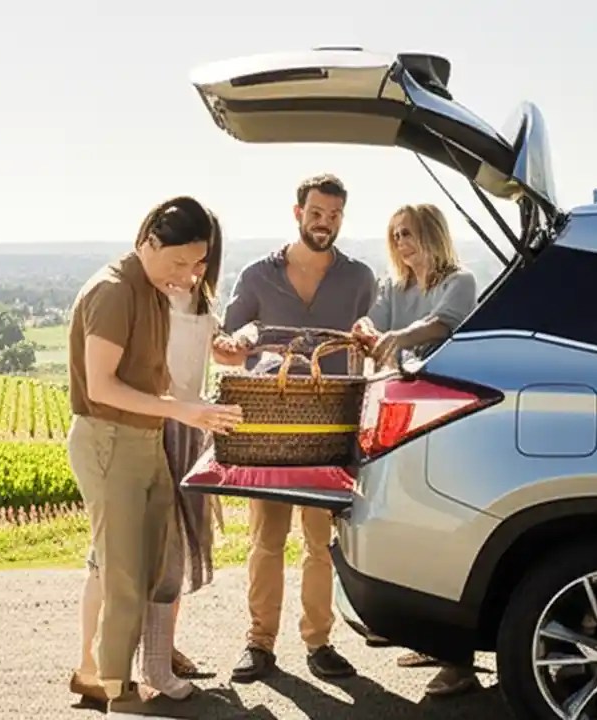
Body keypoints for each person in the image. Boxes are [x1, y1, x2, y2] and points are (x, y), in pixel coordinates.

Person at [66, 195, 242, 714]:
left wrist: (197, 405)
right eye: (178, 262)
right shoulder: (113, 292)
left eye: (198, 264)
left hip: (145, 439)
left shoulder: (154, 290)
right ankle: (115, 689)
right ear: (148, 242)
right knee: (122, 572)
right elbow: (101, 387)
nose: (188, 276)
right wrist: (183, 410)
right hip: (110, 439)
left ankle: (97, 676)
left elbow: (159, 372)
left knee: (152, 561)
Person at [211, 173, 376, 684]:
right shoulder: (257, 276)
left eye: (334, 215)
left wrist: (370, 338)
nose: (325, 223)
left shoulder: (359, 278)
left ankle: (319, 643)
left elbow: (373, 341)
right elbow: (225, 345)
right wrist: (237, 344)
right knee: (266, 541)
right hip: (269, 429)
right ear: (298, 212)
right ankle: (258, 643)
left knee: (320, 544)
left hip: (329, 429)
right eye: (316, 213)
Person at [352, 202, 479, 697]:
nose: (402, 243)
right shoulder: (394, 287)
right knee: (414, 531)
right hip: (403, 421)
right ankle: (431, 640)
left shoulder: (459, 281)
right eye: (396, 235)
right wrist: (367, 329)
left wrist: (399, 336)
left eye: (408, 233)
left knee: (446, 532)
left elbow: (443, 325)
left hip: (445, 421)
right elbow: (374, 322)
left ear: (432, 234)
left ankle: (459, 665)